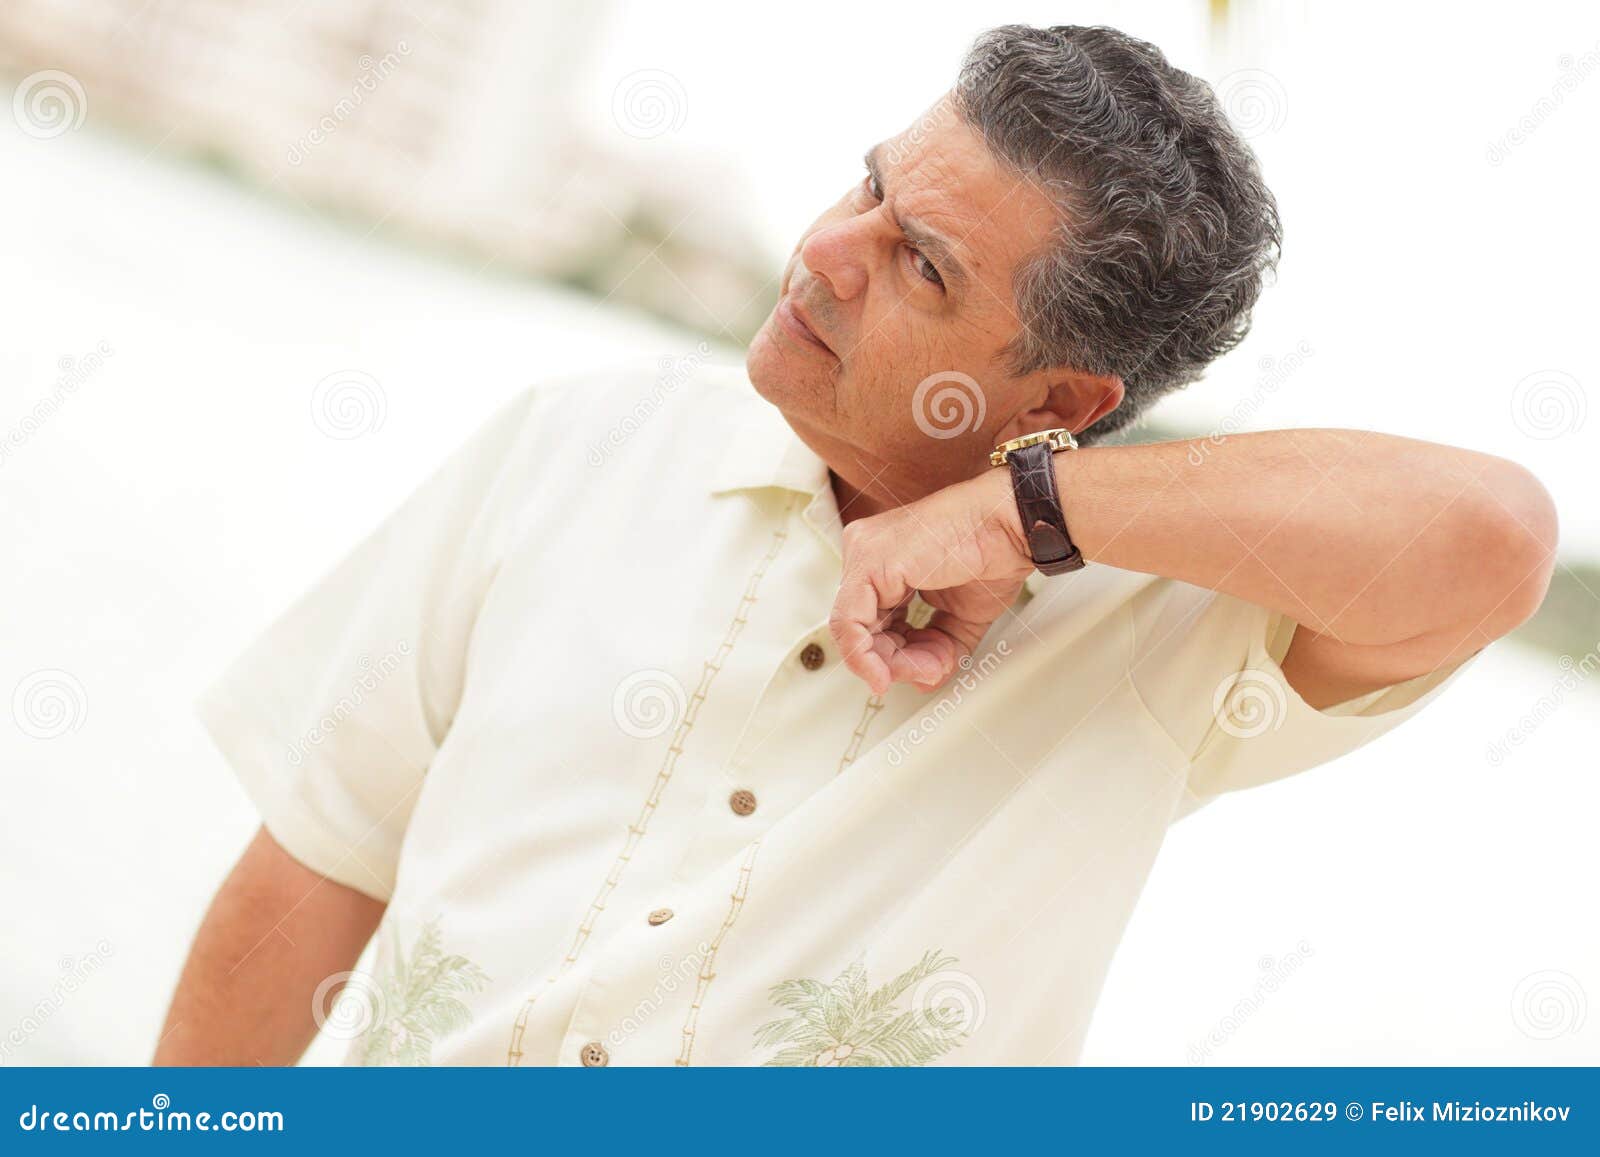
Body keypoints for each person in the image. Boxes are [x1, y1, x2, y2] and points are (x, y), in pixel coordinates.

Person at [156, 24, 1555, 1067]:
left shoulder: (1161, 634)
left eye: (921, 264)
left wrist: (1020, 514)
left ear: (1062, 404)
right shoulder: (570, 447)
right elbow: (313, 869)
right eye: (865, 191)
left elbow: (1489, 537)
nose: (828, 251)